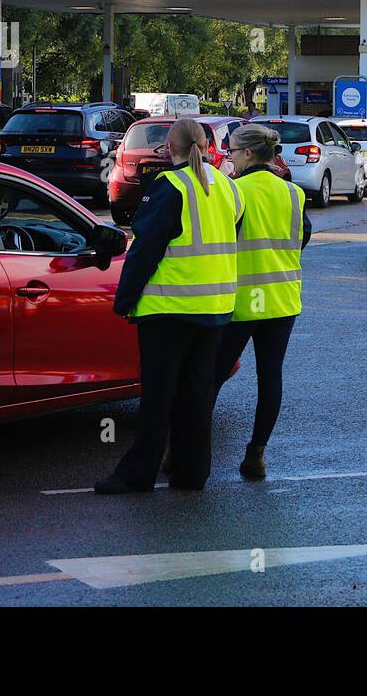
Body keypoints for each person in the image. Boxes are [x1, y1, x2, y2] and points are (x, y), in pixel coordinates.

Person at [95, 118, 244, 495]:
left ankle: (138, 474)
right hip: (215, 307)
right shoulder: (228, 187)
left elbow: (145, 249)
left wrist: (126, 300)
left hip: (169, 309)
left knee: (158, 398)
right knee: (196, 395)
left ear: (169, 149)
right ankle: (192, 473)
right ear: (207, 148)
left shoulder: (168, 186)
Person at [213, 122, 311, 480]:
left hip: (240, 300)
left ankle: (187, 452)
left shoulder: (235, 191)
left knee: (211, 376)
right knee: (270, 378)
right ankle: (256, 455)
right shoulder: (293, 194)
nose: (229, 158)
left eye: (233, 152)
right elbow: (303, 238)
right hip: (282, 300)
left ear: (249, 154)